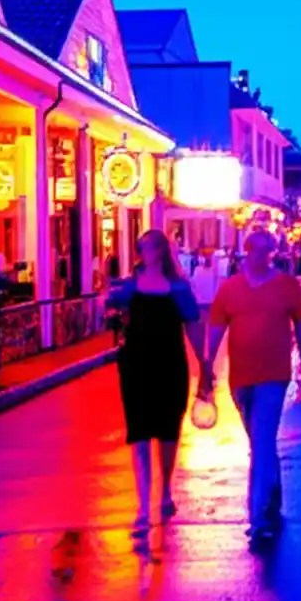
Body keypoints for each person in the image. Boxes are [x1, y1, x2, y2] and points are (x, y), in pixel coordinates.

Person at [203, 229, 301, 546]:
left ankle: (258, 515)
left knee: (263, 440)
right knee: (260, 442)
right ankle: (272, 497)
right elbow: (215, 329)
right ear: (247, 251)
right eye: (257, 251)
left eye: (268, 252)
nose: (263, 257)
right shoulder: (231, 289)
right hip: (241, 378)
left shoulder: (287, 287)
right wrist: (206, 368)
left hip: (274, 375)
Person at [106, 230, 204, 538]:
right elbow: (107, 305)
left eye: (148, 247)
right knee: (138, 431)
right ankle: (143, 504)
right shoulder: (130, 286)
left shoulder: (178, 288)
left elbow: (193, 325)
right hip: (136, 364)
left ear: (160, 251)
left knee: (167, 431)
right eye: (141, 247)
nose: (144, 252)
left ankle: (164, 491)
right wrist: (110, 309)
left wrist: (204, 363)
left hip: (170, 364)